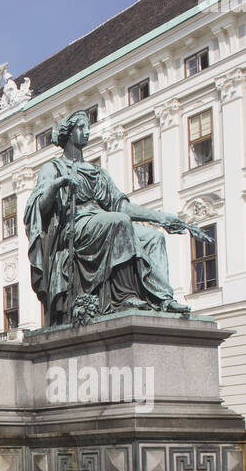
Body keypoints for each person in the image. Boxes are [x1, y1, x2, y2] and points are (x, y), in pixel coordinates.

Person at [24, 109, 207, 324]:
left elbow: (121, 206)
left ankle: (163, 298)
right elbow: (40, 206)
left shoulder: (97, 172)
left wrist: (161, 217)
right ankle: (125, 295)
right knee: (119, 222)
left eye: (88, 128)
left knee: (153, 238)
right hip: (76, 224)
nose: (86, 132)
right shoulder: (53, 168)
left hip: (103, 222)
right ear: (69, 133)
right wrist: (59, 183)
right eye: (81, 128)